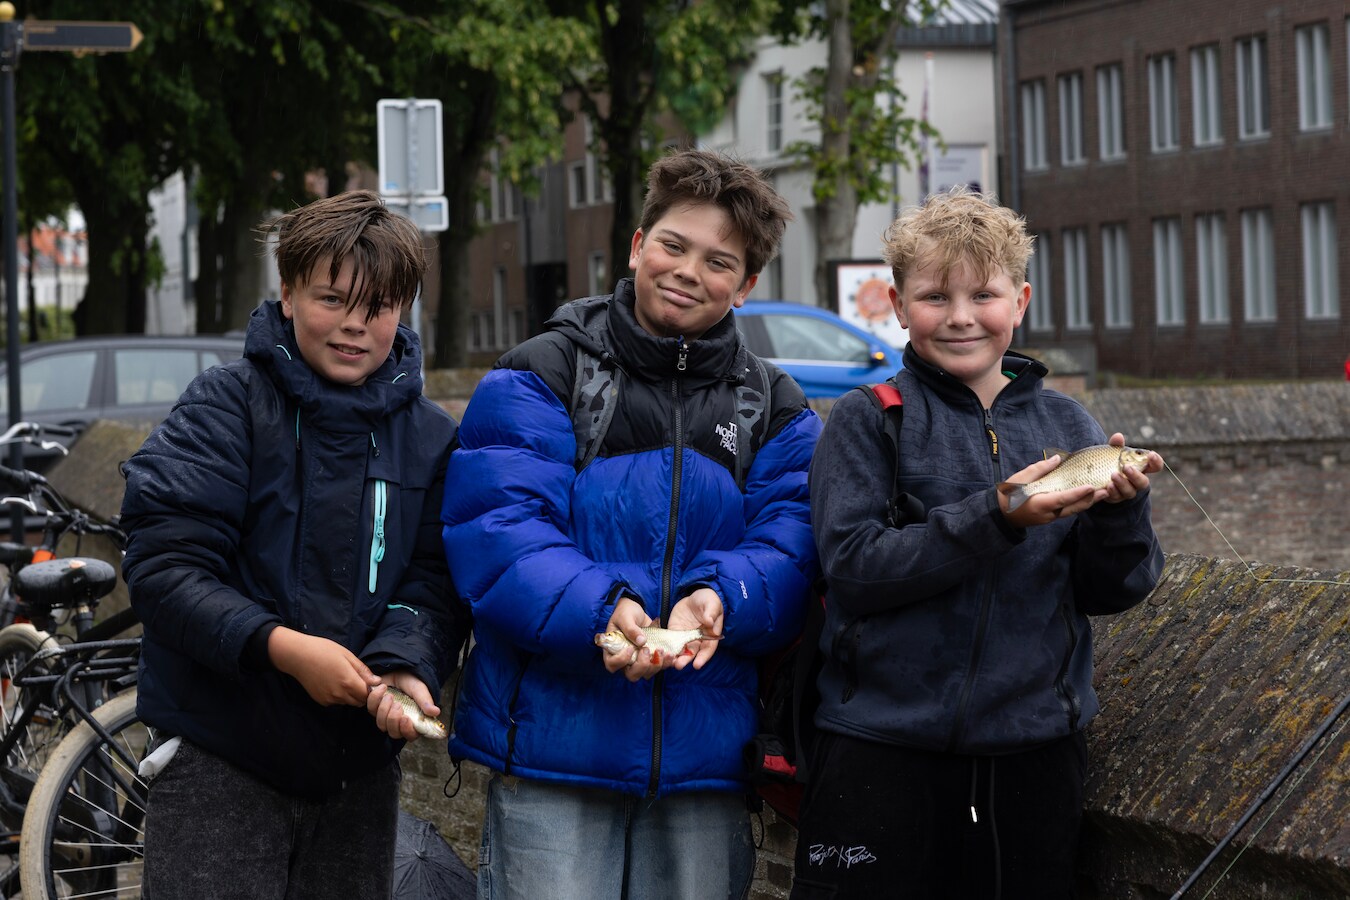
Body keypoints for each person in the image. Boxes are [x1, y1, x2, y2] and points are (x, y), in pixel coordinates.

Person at [441, 148, 820, 900]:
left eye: (719, 262)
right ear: (639, 245)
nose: (688, 271)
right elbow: (500, 531)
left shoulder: (776, 407)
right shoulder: (541, 373)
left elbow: (796, 545)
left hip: (706, 761)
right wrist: (602, 609)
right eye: (674, 245)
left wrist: (723, 598)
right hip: (551, 750)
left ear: (746, 286)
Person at [793, 186, 1165, 899]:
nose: (961, 316)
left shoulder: (1070, 424)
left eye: (983, 295)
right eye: (935, 297)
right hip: (880, 750)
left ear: (1019, 302)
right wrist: (998, 517)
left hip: (1032, 757)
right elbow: (855, 570)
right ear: (899, 306)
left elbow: (1113, 590)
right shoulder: (869, 419)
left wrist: (1122, 515)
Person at [120, 190, 470, 899]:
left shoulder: (433, 438)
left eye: (377, 307)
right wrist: (281, 648)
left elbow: (434, 581)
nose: (353, 324)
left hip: (357, 774)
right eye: (331, 299)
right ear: (287, 292)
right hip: (221, 757)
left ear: (403, 309)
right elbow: (165, 567)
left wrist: (406, 662)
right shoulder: (224, 406)